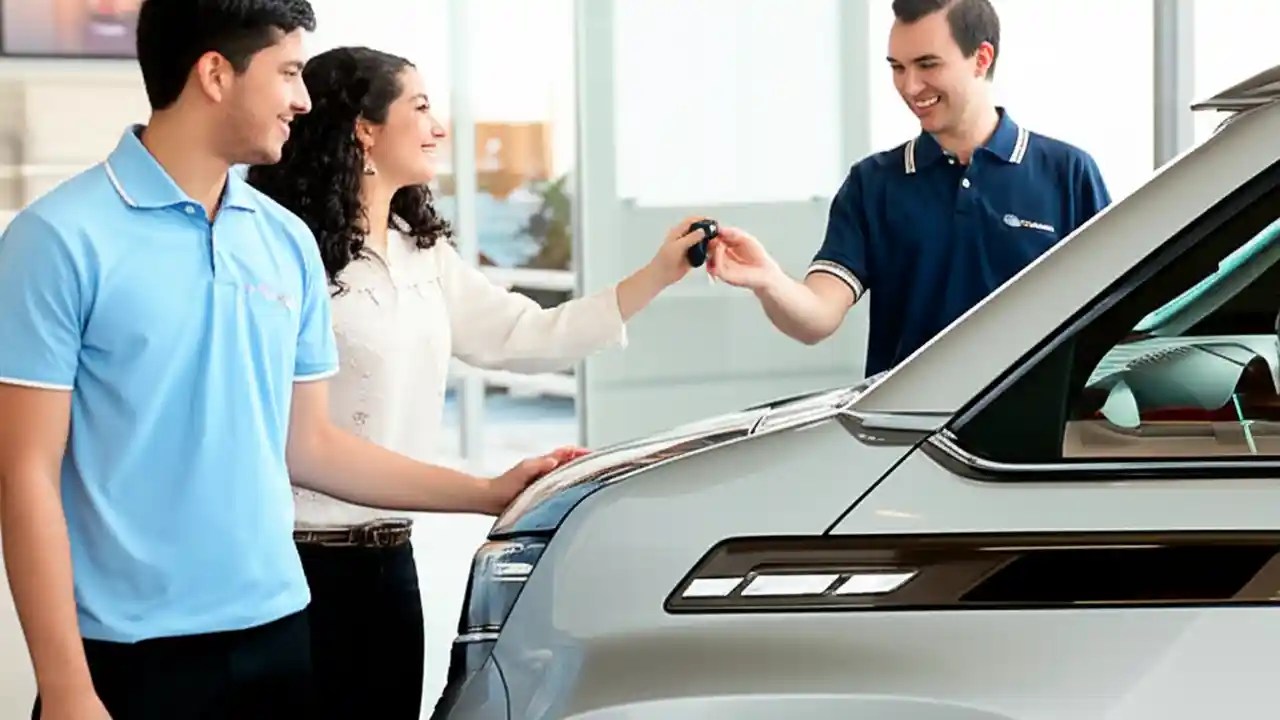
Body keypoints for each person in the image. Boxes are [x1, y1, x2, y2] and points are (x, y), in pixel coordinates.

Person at [0, 3, 570, 718]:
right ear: (215, 74)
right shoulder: (56, 239)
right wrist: (66, 688)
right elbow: (24, 474)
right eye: (289, 72)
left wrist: (486, 491)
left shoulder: (286, 241)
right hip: (129, 657)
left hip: (281, 640)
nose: (303, 100)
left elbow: (312, 445)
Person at [245, 46, 710, 717]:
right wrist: (484, 491)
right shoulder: (288, 255)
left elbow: (525, 334)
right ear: (365, 129)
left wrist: (659, 274)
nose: (438, 127)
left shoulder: (422, 252)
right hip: (294, 566)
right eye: (420, 107)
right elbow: (300, 441)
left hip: (390, 566)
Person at [707, 0, 1112, 378]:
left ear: (981, 58)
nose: (910, 86)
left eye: (927, 64)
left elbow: (1117, 314)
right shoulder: (872, 184)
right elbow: (816, 318)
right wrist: (769, 280)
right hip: (906, 430)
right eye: (897, 67)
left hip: (1033, 427)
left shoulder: (1068, 174)